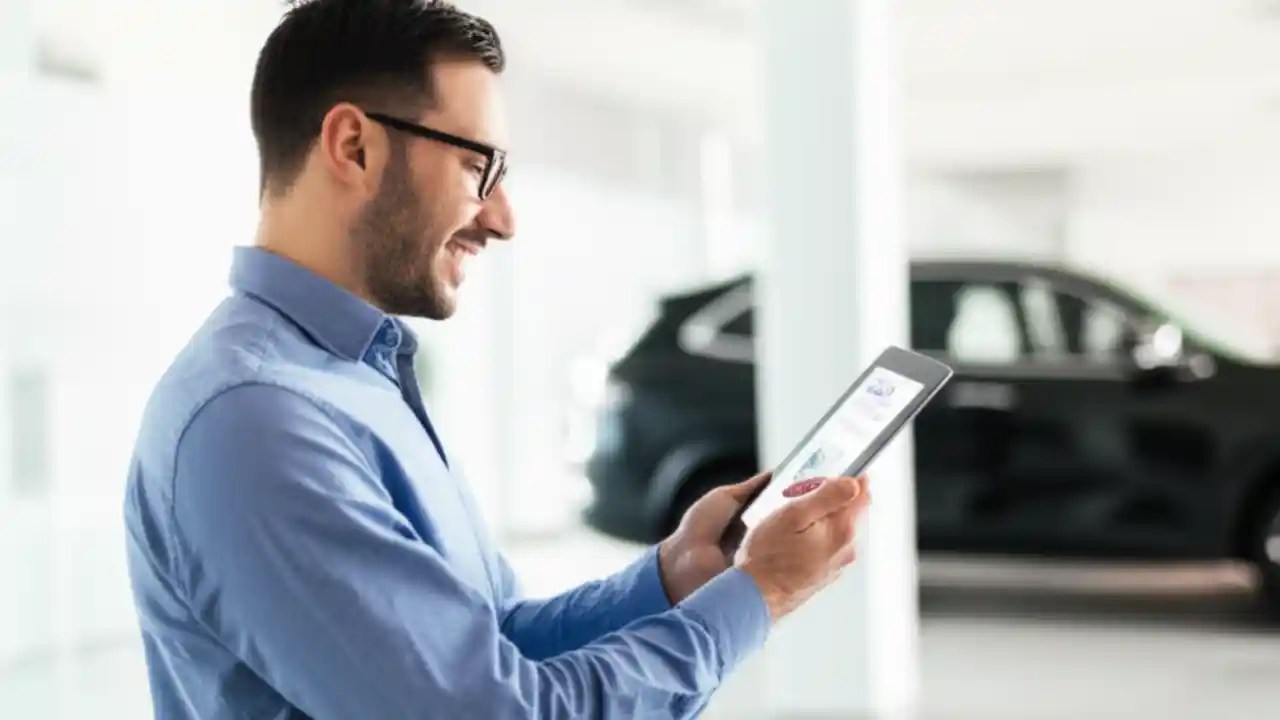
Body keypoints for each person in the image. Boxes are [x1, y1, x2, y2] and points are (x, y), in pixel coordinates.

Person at [122, 1, 872, 718]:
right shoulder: (256, 420)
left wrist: (676, 575)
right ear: (354, 146)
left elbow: (490, 645)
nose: (503, 219)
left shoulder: (352, 378)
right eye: (479, 166)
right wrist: (758, 595)